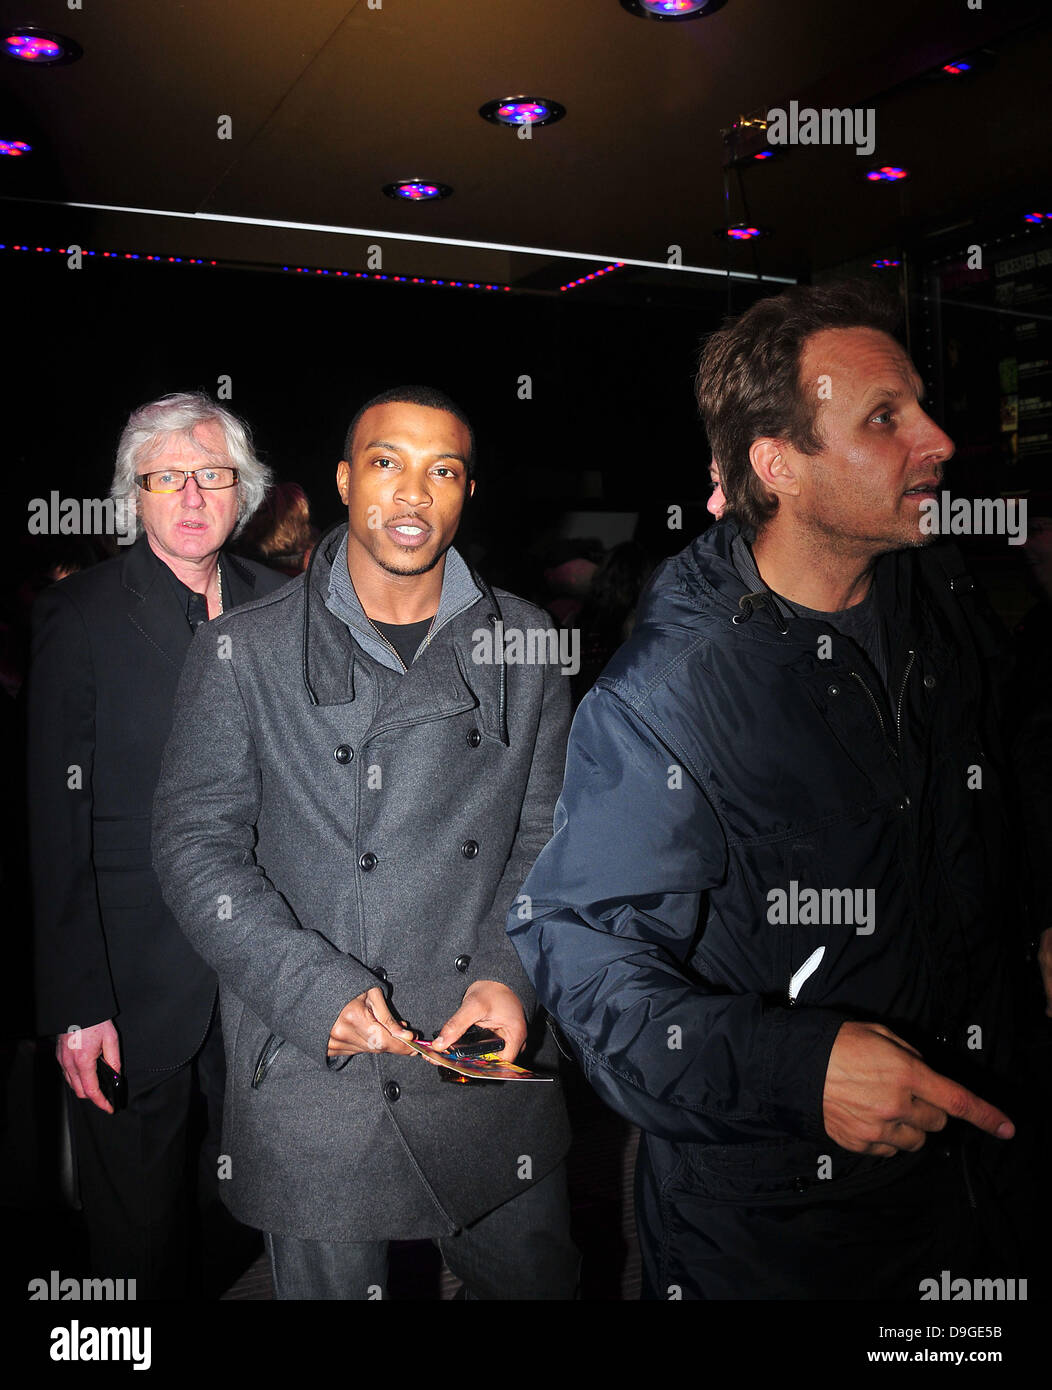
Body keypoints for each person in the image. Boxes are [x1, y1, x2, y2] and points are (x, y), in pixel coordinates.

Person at [509, 282, 1051, 1300]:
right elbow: (591, 977)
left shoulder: (935, 598)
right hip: (785, 1238)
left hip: (982, 1186)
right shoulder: (665, 696)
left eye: (920, 405)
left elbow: (1006, 765)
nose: (935, 439)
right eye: (883, 418)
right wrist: (792, 1069)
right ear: (777, 465)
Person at [152, 385, 577, 1300]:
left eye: (444, 470)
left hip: (479, 1057)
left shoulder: (528, 644)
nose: (413, 493)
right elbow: (195, 847)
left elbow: (547, 834)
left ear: (468, 493)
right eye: (387, 462)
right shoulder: (245, 651)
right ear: (346, 481)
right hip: (318, 1065)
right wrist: (310, 989)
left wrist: (511, 972)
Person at [27, 392, 286, 1298]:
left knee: (239, 1210)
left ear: (242, 490)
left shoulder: (281, 605)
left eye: (211, 474)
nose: (190, 495)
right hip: (129, 991)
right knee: (134, 1237)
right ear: (132, 495)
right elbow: (53, 830)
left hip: (259, 972)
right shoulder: (81, 618)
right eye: (165, 477)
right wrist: (77, 1002)